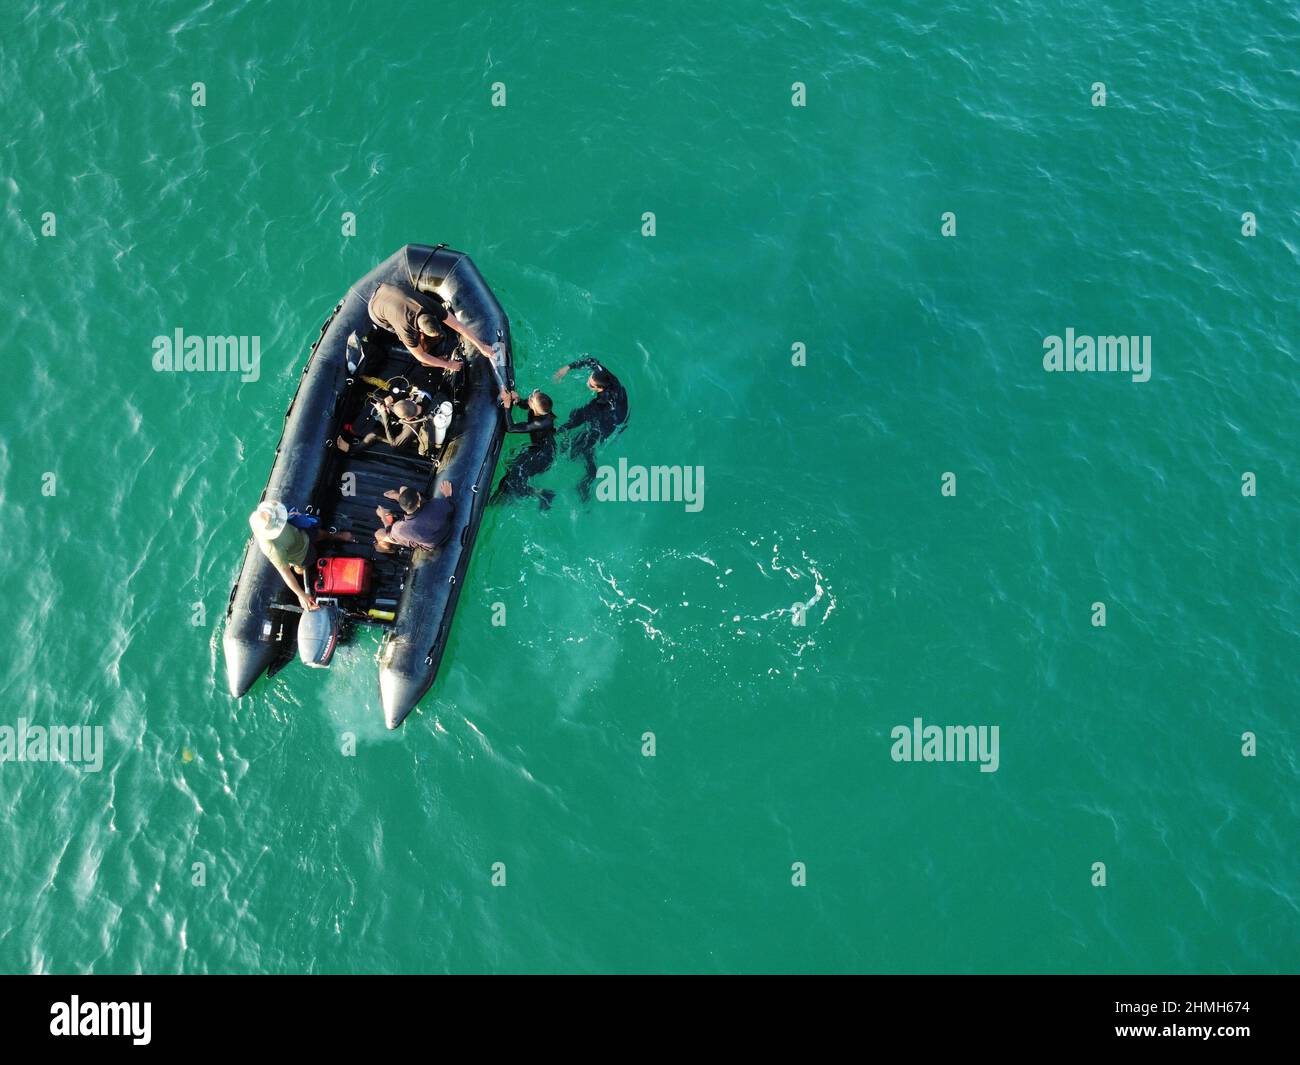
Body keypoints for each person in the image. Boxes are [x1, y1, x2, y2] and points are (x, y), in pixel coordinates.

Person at [368, 281, 496, 372]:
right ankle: (429, 360)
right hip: (376, 309)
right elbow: (420, 356)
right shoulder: (406, 329)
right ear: (420, 331)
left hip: (387, 288)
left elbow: (458, 325)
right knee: (412, 346)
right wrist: (448, 365)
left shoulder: (431, 306)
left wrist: (481, 346)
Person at [249, 501, 354, 611]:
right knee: (304, 565)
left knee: (319, 534)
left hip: (302, 532)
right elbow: (285, 573)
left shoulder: (272, 511)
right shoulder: (272, 548)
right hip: (302, 554)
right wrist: (301, 594)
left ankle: (335, 536)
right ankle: (299, 568)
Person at [552, 357, 629, 499]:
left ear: (600, 388)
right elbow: (591, 361)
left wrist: (559, 429)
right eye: (590, 379)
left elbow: (580, 418)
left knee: (581, 449)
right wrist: (568, 367)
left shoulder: (602, 403)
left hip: (610, 421)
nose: (588, 383)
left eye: (591, 385)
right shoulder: (606, 376)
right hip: (621, 404)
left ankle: (588, 480)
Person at [492, 389, 557, 509]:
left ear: (536, 409)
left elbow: (511, 428)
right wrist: (517, 401)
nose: (530, 397)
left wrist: (507, 405)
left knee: (514, 482)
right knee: (511, 474)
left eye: (532, 399)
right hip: (539, 448)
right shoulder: (540, 410)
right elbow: (526, 404)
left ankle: (543, 493)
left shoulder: (540, 423)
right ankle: (540, 493)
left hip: (544, 456)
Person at [336, 395, 439, 457]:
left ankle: (351, 450)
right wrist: (389, 403)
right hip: (405, 417)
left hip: (401, 437)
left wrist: (385, 414)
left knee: (374, 434)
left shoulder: (411, 429)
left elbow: (395, 445)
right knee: (376, 409)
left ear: (407, 418)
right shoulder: (420, 400)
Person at [374, 482, 454, 553]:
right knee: (403, 488)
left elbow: (389, 533)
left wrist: (383, 517)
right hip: (441, 529)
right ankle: (397, 496)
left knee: (379, 534)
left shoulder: (399, 528)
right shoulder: (436, 503)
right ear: (419, 497)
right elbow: (450, 506)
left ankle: (388, 550)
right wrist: (448, 496)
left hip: (433, 544)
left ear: (402, 507)